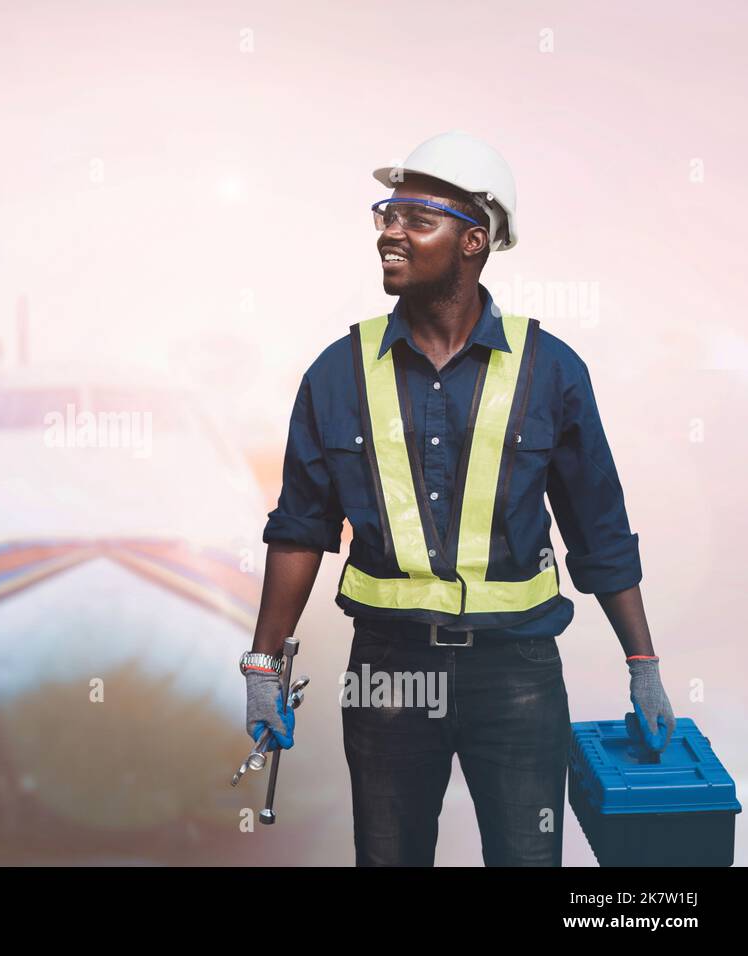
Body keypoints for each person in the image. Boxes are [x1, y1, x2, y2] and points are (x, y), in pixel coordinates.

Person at [240, 130, 674, 866]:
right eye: (386, 214)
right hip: (387, 672)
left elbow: (599, 529)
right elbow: (300, 527)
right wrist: (260, 665)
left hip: (517, 676)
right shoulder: (338, 373)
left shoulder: (551, 370)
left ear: (474, 240)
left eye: (416, 218)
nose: (390, 234)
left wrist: (644, 663)